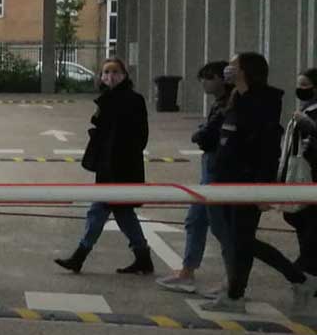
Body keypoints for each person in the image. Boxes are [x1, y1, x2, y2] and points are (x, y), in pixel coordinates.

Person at [202, 52, 310, 313]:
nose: (228, 69)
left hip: (247, 182)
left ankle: (298, 279)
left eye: (233, 65)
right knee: (239, 241)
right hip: (227, 180)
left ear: (245, 71)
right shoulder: (235, 98)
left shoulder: (263, 103)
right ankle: (236, 294)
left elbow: (267, 149)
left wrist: (263, 189)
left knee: (243, 241)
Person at [53, 57, 153, 275]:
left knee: (98, 211)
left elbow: (139, 136)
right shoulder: (106, 99)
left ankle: (79, 256)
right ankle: (142, 257)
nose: (110, 76)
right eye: (106, 72)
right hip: (107, 166)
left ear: (124, 75)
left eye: (115, 72)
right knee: (123, 213)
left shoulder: (133, 99)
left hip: (123, 168)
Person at [157, 61, 233, 294]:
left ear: (223, 79)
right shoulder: (219, 103)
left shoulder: (230, 104)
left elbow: (208, 135)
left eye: (209, 77)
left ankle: (233, 280)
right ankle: (187, 271)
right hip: (209, 166)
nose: (204, 82)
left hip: (219, 170)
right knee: (196, 219)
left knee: (221, 228)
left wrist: (200, 133)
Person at [285, 66, 317, 292]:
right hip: (302, 176)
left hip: (312, 177)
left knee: (309, 225)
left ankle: (306, 269)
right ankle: (306, 266)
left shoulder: (309, 116)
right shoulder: (304, 111)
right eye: (298, 85)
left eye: (305, 86)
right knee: (299, 218)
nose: (300, 90)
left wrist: (309, 127)